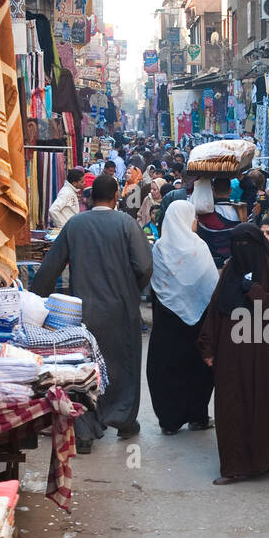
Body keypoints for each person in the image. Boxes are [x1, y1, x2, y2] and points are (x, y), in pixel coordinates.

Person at [31, 174, 153, 452]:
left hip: (82, 311)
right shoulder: (126, 224)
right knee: (124, 362)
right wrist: (132, 289)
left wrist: (37, 301)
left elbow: (50, 268)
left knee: (84, 368)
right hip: (120, 308)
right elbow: (145, 266)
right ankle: (122, 419)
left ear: (88, 197)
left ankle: (84, 432)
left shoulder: (75, 225)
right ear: (116, 197)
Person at [198, 225, 269, 484]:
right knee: (232, 406)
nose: (241, 251)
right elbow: (215, 310)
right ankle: (235, 466)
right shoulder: (231, 271)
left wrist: (254, 291)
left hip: (265, 352)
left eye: (246, 244)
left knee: (265, 404)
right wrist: (207, 346)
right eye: (236, 245)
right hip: (230, 354)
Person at [146, 200, 217, 435]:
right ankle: (198, 416)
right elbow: (210, 286)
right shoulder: (200, 247)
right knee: (199, 369)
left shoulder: (159, 248)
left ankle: (169, 420)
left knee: (166, 368)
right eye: (193, 217)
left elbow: (155, 286)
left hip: (168, 319)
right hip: (199, 321)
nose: (196, 222)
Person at [196, 175, 243, 267]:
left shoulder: (204, 215)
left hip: (210, 262)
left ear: (213, 190)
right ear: (230, 190)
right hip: (233, 262)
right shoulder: (241, 213)